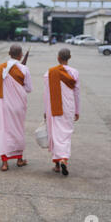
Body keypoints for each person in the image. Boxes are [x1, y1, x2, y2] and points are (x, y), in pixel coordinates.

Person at [0, 44, 32, 172]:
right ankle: (19, 159)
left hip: (2, 105)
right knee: (18, 130)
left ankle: (4, 163)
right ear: (20, 55)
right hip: (18, 105)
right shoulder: (24, 69)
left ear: (9, 53)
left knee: (4, 131)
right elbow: (28, 88)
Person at [43, 48, 80, 176]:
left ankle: (57, 164)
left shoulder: (49, 72)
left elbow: (46, 94)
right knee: (66, 134)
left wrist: (45, 110)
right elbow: (77, 93)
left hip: (54, 107)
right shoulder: (74, 72)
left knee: (55, 133)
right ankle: (64, 158)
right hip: (69, 107)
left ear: (58, 58)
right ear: (69, 57)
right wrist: (77, 110)